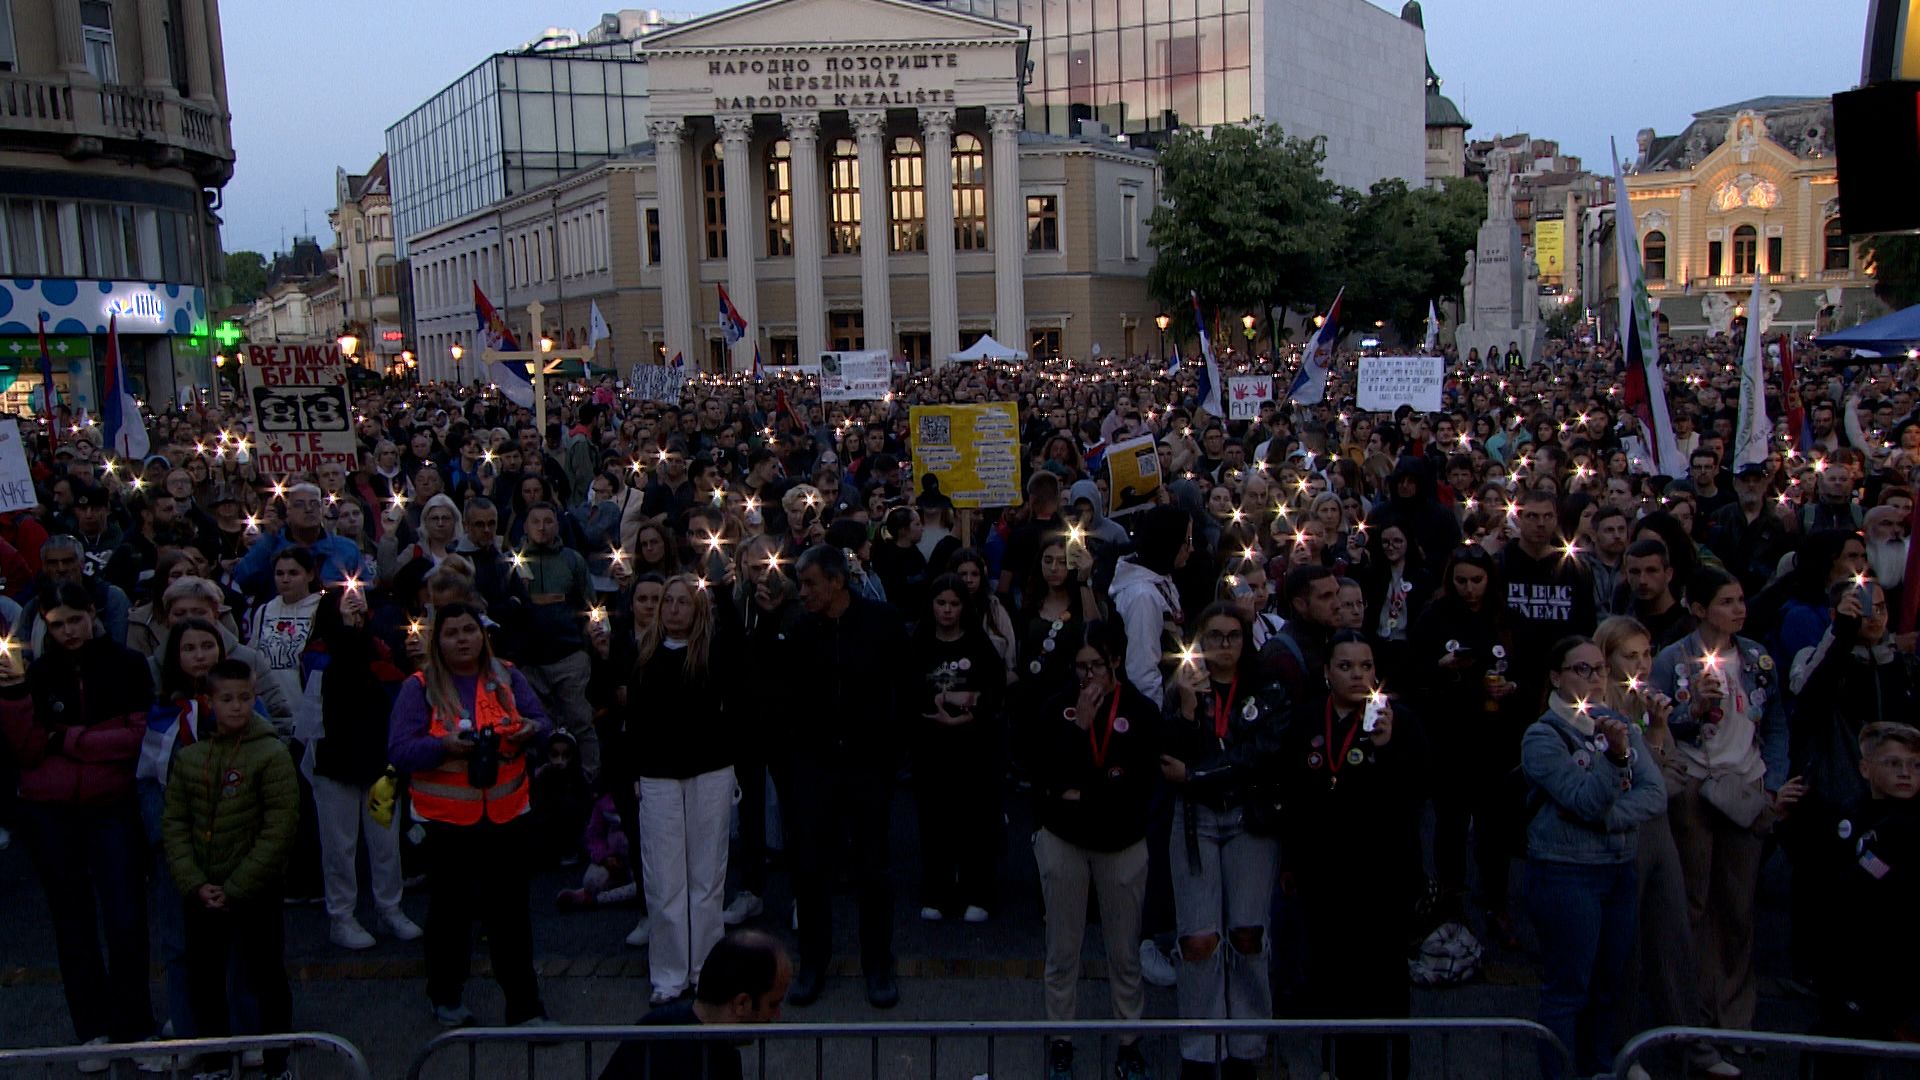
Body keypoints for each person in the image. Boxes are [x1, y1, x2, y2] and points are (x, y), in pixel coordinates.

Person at [1650, 566, 1803, 1067]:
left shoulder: (1758, 658)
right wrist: (1692, 712)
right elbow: (1659, 722)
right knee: (1696, 905)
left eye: (1741, 600)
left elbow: (1777, 723)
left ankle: (1737, 1017)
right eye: (1727, 601)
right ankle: (1695, 1019)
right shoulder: (1673, 660)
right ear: (1699, 609)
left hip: (1745, 788)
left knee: (1738, 908)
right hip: (1695, 790)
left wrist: (1773, 782)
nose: (1739, 609)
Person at [0, 581, 156, 1059]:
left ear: (93, 613)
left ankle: (136, 1025)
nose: (69, 631)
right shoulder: (36, 673)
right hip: (51, 811)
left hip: (111, 803)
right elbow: (25, 748)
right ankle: (92, 1028)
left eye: (75, 619)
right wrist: (14, 695)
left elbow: (135, 739)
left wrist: (66, 740)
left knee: (125, 916)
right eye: (58, 623)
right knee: (72, 920)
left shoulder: (127, 666)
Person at [388, 602, 553, 1027]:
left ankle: (525, 1006)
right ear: (437, 641)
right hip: (447, 823)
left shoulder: (507, 676)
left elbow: (541, 720)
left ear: (483, 636)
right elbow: (400, 750)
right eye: (452, 633)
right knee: (450, 916)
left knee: (511, 917)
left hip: (506, 813)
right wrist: (442, 746)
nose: (462, 639)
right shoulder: (419, 687)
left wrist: (529, 731)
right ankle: (445, 997)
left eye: (469, 631)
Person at [1520, 636, 1668, 1080]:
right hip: (1566, 872)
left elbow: (1655, 794)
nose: (1594, 678)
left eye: (1599, 669)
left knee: (1608, 985)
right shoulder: (1542, 736)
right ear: (1556, 677)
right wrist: (1616, 758)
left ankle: (1599, 1069)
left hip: (1617, 869)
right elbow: (1583, 798)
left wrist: (1607, 819)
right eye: (1580, 670)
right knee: (1569, 989)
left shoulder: (1617, 723)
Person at [1281, 632, 1426, 1079]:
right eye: (1345, 667)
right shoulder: (1307, 720)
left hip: (1383, 872)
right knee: (1331, 977)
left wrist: (1386, 752)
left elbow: (1418, 790)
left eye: (1365, 666)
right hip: (1325, 872)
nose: (1357, 674)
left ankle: (1393, 1068)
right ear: (1326, 672)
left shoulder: (1398, 721)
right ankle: (1337, 1066)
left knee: (1385, 979)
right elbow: (1292, 791)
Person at [779, 545, 910, 1009]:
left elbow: (905, 685)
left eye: (811, 582)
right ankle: (813, 962)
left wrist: (892, 751)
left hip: (868, 764)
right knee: (810, 868)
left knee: (873, 869)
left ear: (837, 582)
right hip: (815, 766)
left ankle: (878, 963)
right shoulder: (799, 630)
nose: (804, 592)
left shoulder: (883, 622)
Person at [1160, 603, 1287, 1080]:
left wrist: (1197, 774)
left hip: (1248, 817)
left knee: (1247, 933)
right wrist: (1190, 714)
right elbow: (1166, 760)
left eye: (1233, 636)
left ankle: (1247, 1046)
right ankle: (1199, 1047)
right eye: (1214, 636)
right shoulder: (1182, 689)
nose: (1224, 646)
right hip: (1195, 819)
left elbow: (1260, 754)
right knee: (1197, 939)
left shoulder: (1266, 688)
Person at [160, 659, 299, 1080]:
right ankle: (216, 1060)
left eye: (245, 698)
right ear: (209, 702)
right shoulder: (190, 757)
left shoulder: (272, 753)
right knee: (205, 980)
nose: (237, 707)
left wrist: (237, 884)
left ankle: (277, 1063)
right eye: (227, 699)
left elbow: (280, 825)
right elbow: (175, 823)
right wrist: (194, 882)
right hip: (203, 887)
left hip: (255, 887)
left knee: (266, 975)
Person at [1032, 619, 1158, 1080]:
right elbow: (1046, 778)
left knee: (1123, 952)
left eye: (1096, 667)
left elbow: (1140, 784)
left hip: (1121, 842)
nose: (1087, 678)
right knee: (1062, 949)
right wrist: (1080, 729)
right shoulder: (1055, 709)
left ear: (1116, 663)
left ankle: (1129, 1039)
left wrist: (1085, 790)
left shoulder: (1140, 712)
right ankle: (1061, 1038)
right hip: (1065, 840)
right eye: (1080, 668)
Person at [1594, 615, 1702, 1072]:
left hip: (1661, 831)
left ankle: (1688, 1038)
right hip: (1622, 837)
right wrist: (1655, 741)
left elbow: (1669, 773)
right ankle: (1622, 1046)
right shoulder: (1596, 707)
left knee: (1673, 933)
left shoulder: (1648, 701)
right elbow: (1628, 780)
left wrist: (1659, 735)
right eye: (1629, 655)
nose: (1641, 664)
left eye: (1646, 653)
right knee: (1626, 947)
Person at [626, 574, 738, 1004]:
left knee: (706, 876)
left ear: (698, 609)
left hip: (709, 770)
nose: (674, 609)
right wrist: (636, 774)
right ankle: (669, 974)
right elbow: (634, 719)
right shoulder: (644, 654)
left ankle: (705, 969)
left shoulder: (714, 651)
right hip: (657, 776)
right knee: (664, 878)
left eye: (683, 602)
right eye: (667, 602)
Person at [300, 584, 420, 951]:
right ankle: (342, 915)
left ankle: (389, 907)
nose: (355, 602)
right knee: (340, 844)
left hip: (377, 759)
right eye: (345, 599)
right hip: (335, 760)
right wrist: (349, 633)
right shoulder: (319, 652)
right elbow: (324, 691)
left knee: (385, 841)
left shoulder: (379, 647)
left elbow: (395, 691)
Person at [1808, 723, 1920, 1052]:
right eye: (1893, 763)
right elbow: (1826, 870)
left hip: (1903, 955)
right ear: (1866, 768)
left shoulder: (1913, 824)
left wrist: (1866, 868)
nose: (1906, 773)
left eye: (1915, 765)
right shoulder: (1850, 812)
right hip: (1852, 954)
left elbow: (1873, 872)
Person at [907, 573, 1006, 923]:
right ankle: (937, 890)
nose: (947, 611)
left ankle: (977, 892)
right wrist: (944, 699)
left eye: (954, 604)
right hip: (931, 747)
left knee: (973, 821)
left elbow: (995, 689)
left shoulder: (978, 645)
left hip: (972, 747)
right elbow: (908, 689)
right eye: (941, 603)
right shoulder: (918, 642)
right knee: (935, 822)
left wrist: (972, 711)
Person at [598, 930, 792, 1080]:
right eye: (772, 1004)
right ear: (742, 1003)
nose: (776, 1015)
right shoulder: (713, 1064)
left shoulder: (655, 1028)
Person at [514, 501, 601, 780]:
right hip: (529, 661)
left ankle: (589, 778)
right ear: (525, 526)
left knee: (580, 721)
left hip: (569, 656)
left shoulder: (572, 560)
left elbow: (590, 603)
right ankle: (539, 779)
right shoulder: (513, 561)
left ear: (557, 524)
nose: (542, 527)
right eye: (535, 521)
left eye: (548, 521)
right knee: (537, 725)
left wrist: (589, 645)